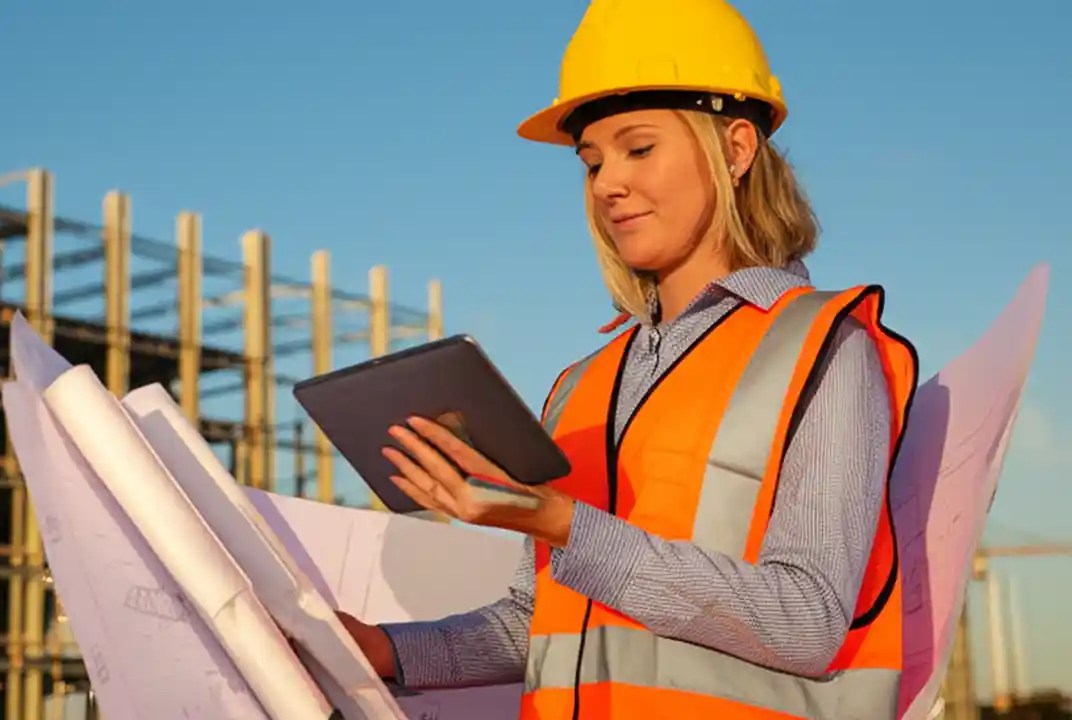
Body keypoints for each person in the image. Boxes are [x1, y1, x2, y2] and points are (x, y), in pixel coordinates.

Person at [338, 0, 919, 718]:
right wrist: (386, 650)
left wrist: (563, 524)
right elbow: (540, 621)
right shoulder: (581, 385)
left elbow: (806, 620)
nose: (607, 183)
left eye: (638, 148)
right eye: (591, 162)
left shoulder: (822, 348)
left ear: (736, 149)